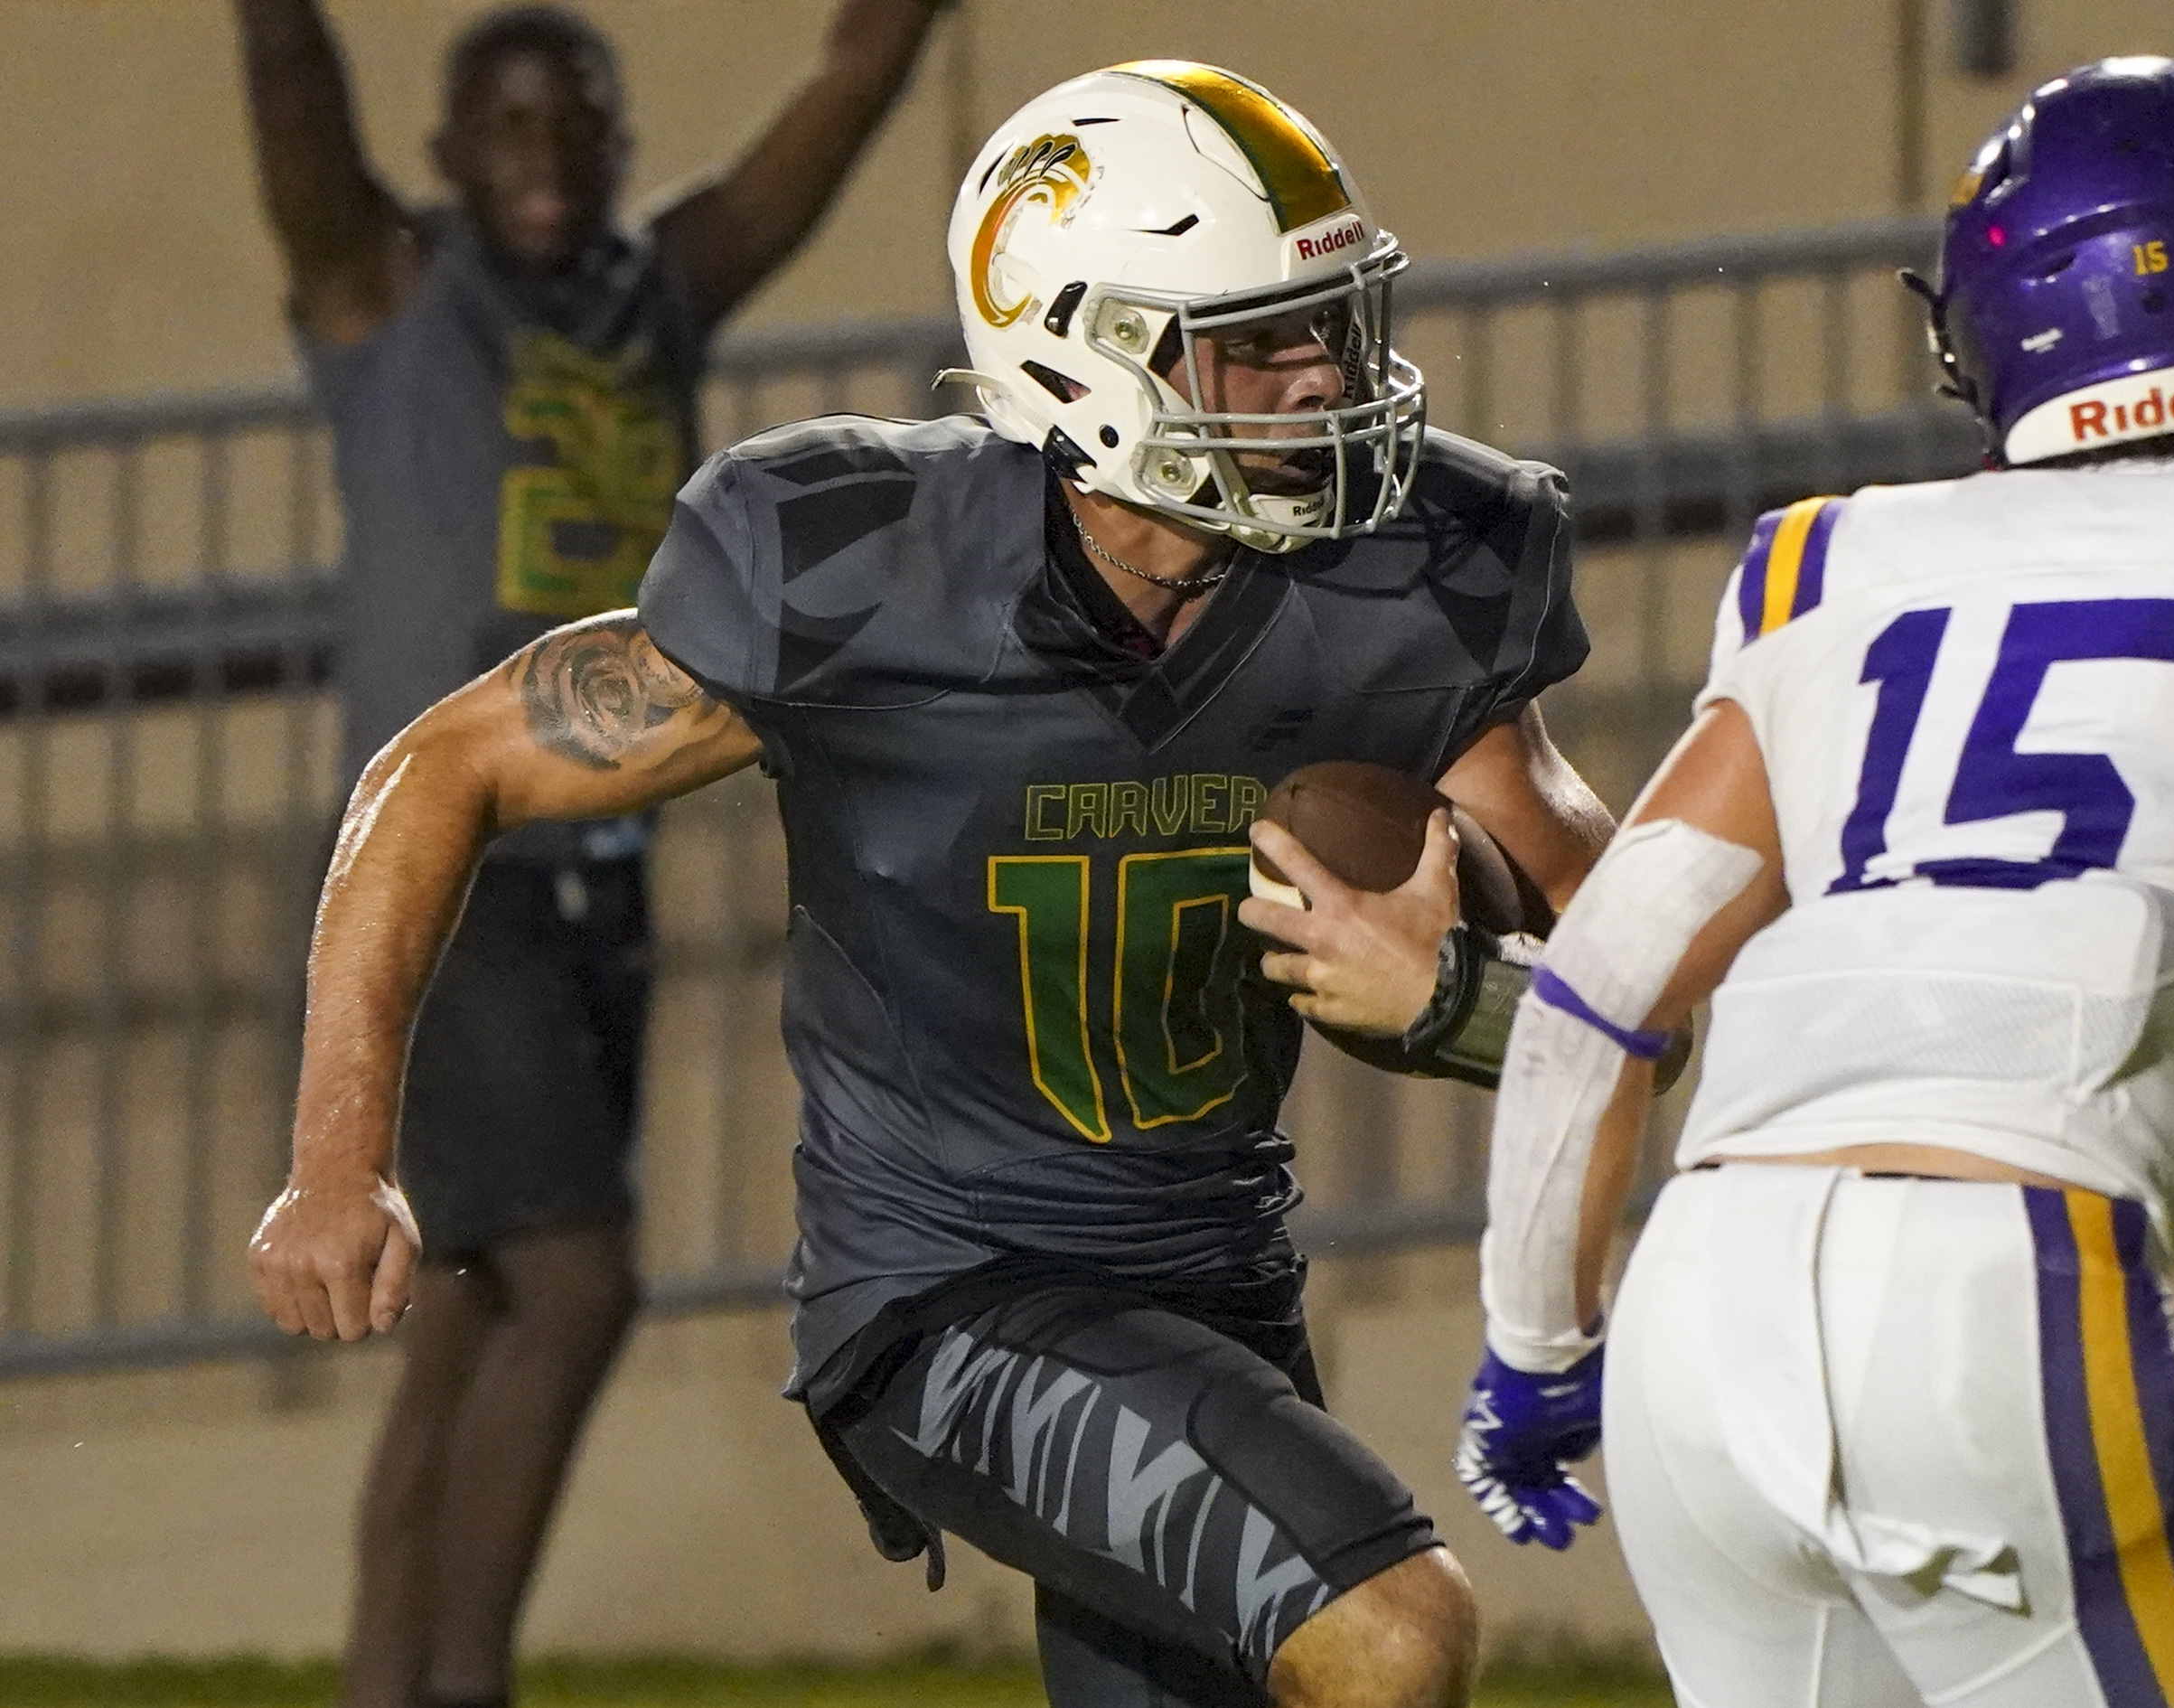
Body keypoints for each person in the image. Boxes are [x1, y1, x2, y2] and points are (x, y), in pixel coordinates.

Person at [249, 60, 1616, 1708]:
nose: (1325, 371)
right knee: (1392, 1627)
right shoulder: (853, 568)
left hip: (1219, 1285)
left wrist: (1454, 994)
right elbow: (446, 764)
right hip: (948, 1300)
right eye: (1258, 337)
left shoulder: (1409, 568)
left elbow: (1629, 969)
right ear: (1084, 351)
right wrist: (339, 1157)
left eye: (1331, 319)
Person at [1460, 55, 2174, 1708]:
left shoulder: (1831, 561)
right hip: (1999, 1293)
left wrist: (1538, 1353)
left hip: (1700, 1303)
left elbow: (1595, 993)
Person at [231, 3, 947, 1703]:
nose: (544, 150)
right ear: (448, 158)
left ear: (623, 148)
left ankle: (384, 1681)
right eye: (507, 123)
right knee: (578, 1279)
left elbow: (835, 101)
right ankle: (466, 1681)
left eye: (577, 121)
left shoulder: (654, 294)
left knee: (478, 1301)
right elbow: (298, 132)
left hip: (596, 877)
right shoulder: (390, 295)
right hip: (442, 867)